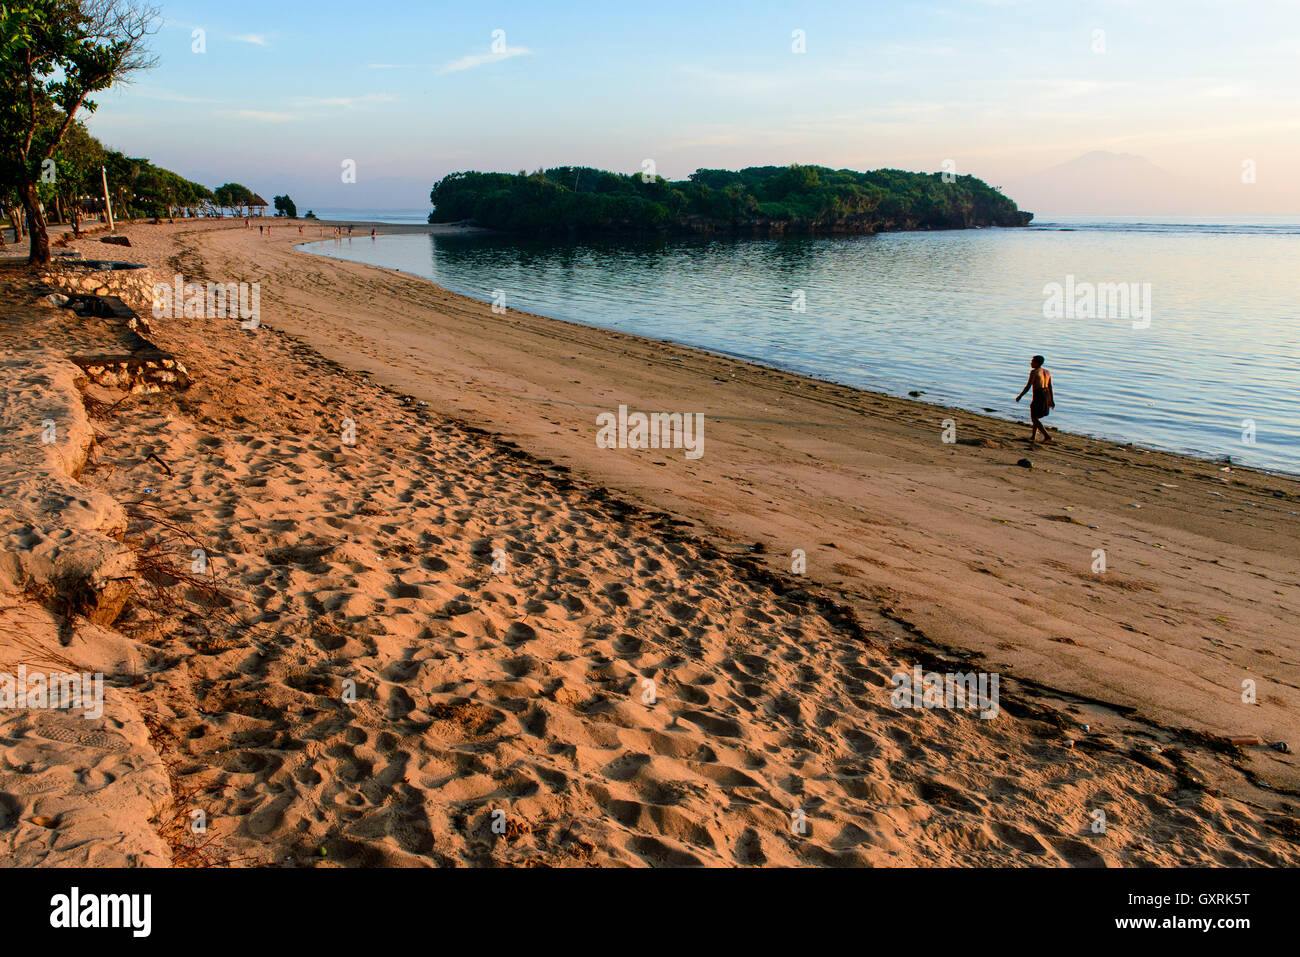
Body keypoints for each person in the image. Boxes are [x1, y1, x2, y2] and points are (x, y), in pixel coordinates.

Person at [1016, 355, 1055, 443]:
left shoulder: (1034, 372)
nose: (1031, 363)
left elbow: (1028, 386)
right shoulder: (1047, 372)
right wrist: (1051, 400)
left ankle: (1047, 436)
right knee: (1035, 416)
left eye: (1032, 361)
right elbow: (1050, 387)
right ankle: (1033, 436)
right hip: (1046, 394)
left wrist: (1020, 395)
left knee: (1034, 418)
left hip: (1039, 395)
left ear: (1037, 363)